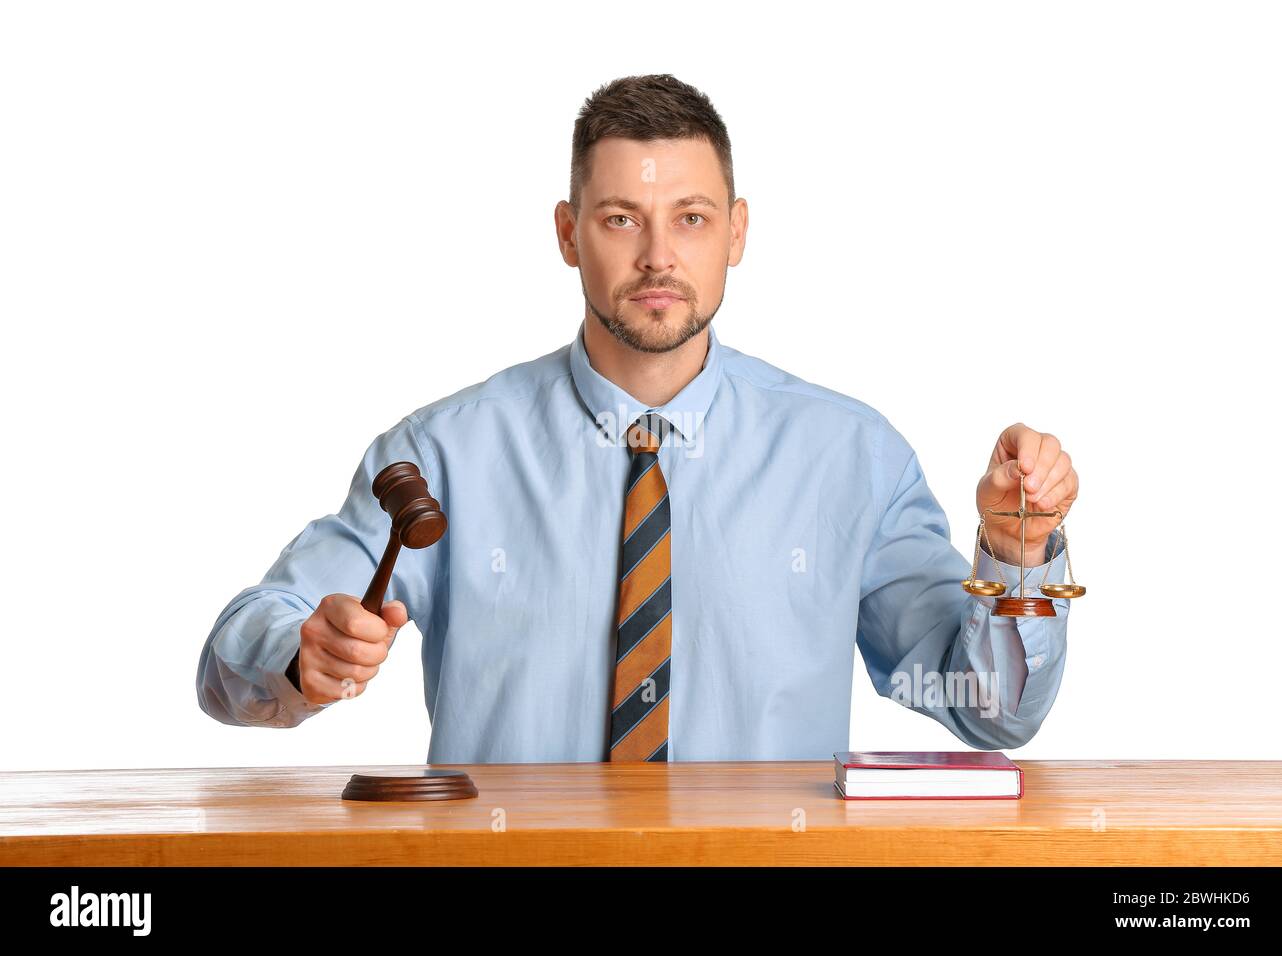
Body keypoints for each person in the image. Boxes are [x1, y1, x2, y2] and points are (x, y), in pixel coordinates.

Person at [196, 74, 1080, 763]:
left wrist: (1017, 551)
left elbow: (989, 709)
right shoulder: (443, 455)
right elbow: (238, 653)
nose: (658, 257)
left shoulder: (853, 458)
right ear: (568, 233)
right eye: (621, 219)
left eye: (689, 219)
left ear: (735, 233)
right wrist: (297, 653)